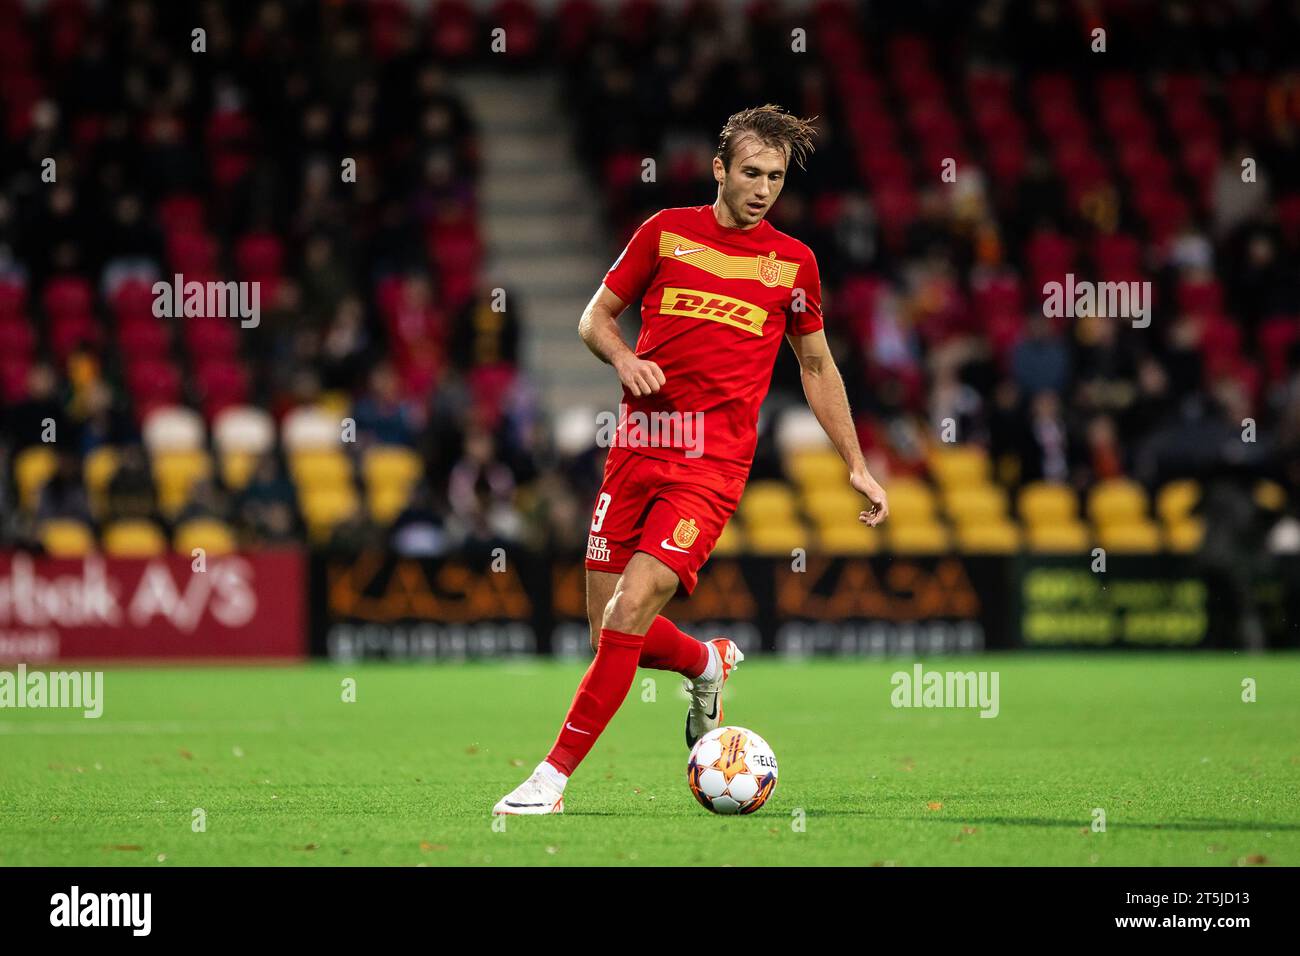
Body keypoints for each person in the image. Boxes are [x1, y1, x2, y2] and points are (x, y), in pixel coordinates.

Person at [493, 105, 889, 814]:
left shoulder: (794, 263)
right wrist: (622, 357)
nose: (764, 188)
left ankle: (549, 780)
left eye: (775, 176)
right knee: (607, 630)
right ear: (719, 169)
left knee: (633, 602)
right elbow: (595, 318)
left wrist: (854, 463)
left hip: (710, 466)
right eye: (751, 173)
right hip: (636, 451)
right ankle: (705, 660)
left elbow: (818, 365)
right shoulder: (665, 233)